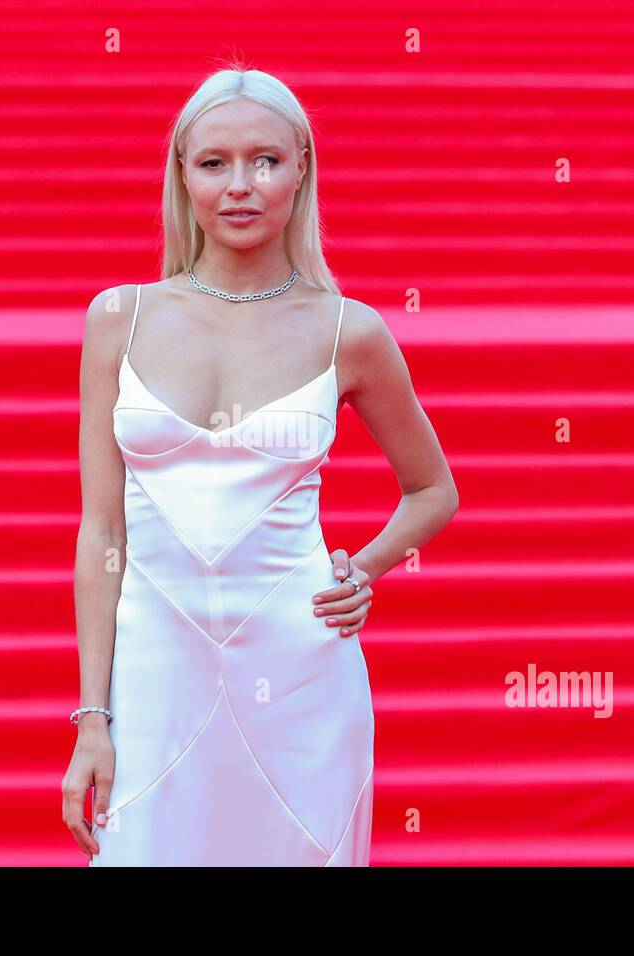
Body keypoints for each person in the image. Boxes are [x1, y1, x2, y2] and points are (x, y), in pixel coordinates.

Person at [63, 66, 459, 865]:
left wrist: (364, 568)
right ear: (182, 172)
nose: (240, 186)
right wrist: (92, 721)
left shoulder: (349, 330)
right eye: (214, 163)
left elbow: (433, 489)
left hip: (302, 673)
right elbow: (102, 529)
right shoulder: (119, 318)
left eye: (265, 161)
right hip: (154, 684)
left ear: (301, 167)